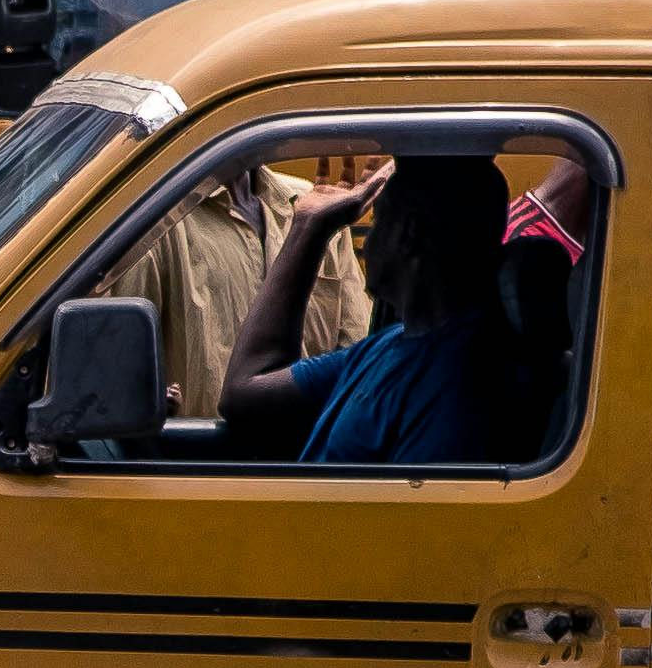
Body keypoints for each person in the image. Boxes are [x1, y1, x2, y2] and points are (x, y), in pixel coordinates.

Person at [222, 148, 529, 467]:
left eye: (379, 220)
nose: (366, 244)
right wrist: (309, 226)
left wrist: (311, 230)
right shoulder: (390, 344)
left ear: (408, 234)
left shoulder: (457, 384)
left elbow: (414, 511)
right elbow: (245, 397)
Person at [85, 155, 373, 420]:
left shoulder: (313, 206)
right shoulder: (155, 222)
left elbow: (359, 353)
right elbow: (117, 388)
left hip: (308, 467)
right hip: (207, 467)